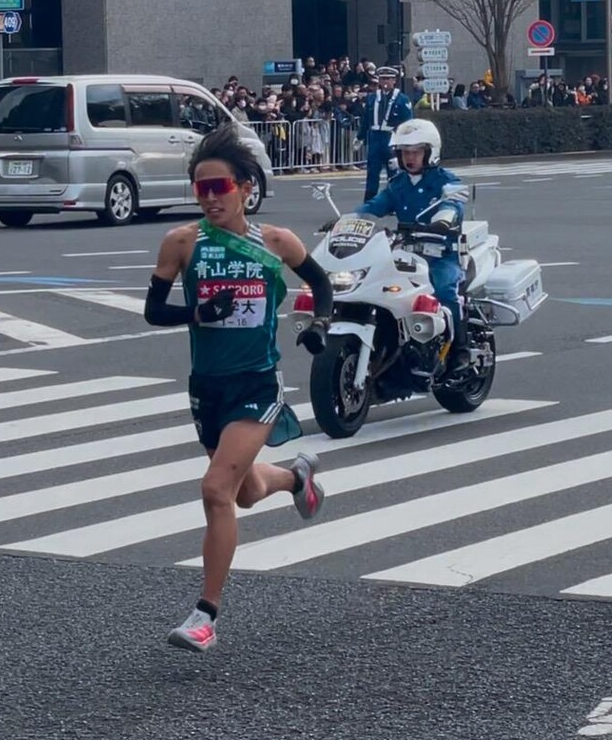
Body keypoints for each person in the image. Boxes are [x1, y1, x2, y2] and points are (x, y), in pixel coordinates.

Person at [143, 123, 334, 653]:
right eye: (200, 189)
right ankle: (297, 478)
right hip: (208, 387)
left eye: (219, 188)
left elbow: (320, 284)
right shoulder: (181, 242)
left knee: (214, 490)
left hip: (256, 383)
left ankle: (205, 615)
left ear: (246, 187)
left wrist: (318, 326)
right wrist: (199, 312)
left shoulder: (276, 242)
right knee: (245, 492)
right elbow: (153, 310)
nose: (209, 200)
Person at [358, 118, 472, 372]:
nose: (410, 158)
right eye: (405, 152)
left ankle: (460, 350)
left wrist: (443, 220)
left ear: (430, 153)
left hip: (441, 253)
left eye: (416, 152)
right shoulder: (398, 184)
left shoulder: (445, 180)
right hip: (405, 252)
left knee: (444, 290)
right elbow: (376, 205)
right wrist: (349, 219)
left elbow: (452, 204)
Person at [358, 66, 412, 200]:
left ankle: (395, 201)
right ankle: (370, 201)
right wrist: (360, 137)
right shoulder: (372, 98)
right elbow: (366, 120)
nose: (385, 82)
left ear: (394, 81)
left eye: (388, 79)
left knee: (393, 171)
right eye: (382, 79)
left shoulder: (402, 99)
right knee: (372, 172)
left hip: (391, 138)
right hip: (375, 137)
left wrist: (404, 142)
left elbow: (408, 122)